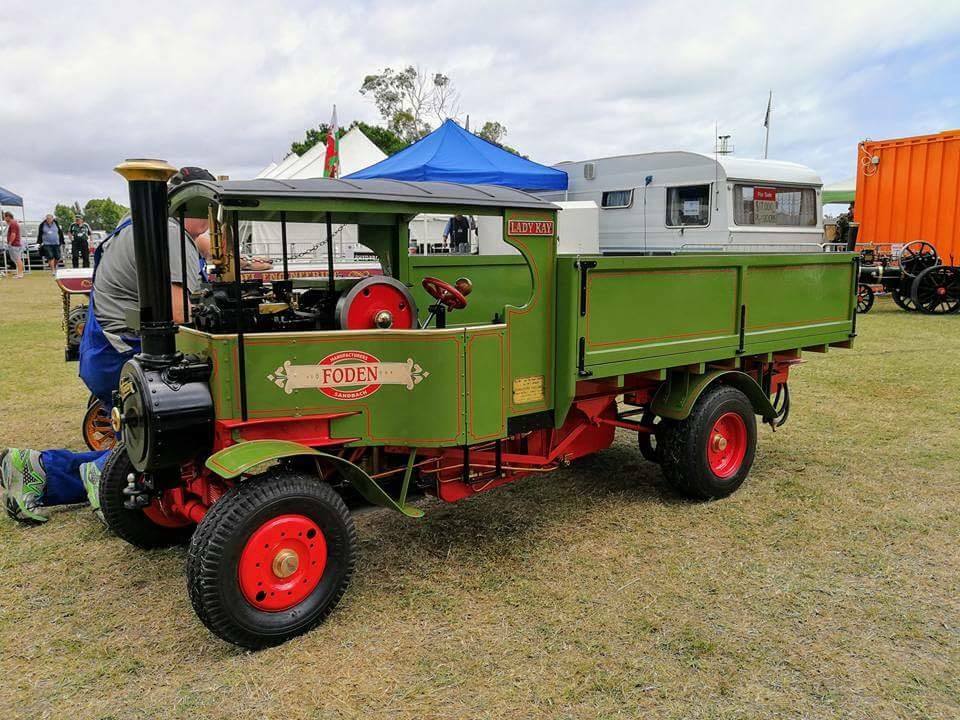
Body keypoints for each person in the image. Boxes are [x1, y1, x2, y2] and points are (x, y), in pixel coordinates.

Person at [1, 167, 213, 525]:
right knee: (195, 421)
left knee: (139, 444)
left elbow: (202, 248)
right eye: (209, 208)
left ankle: (34, 469)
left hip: (102, 348)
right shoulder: (171, 234)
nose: (212, 218)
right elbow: (181, 312)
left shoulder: (140, 223)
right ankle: (102, 475)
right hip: (127, 352)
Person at [3, 211, 24, 278]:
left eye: (5, 217)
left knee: (17, 259)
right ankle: (19, 272)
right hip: (15, 244)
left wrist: (10, 243)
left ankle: (20, 274)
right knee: (16, 259)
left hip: (14, 244)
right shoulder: (13, 223)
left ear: (8, 217)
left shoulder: (13, 224)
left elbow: (13, 234)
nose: (4, 219)